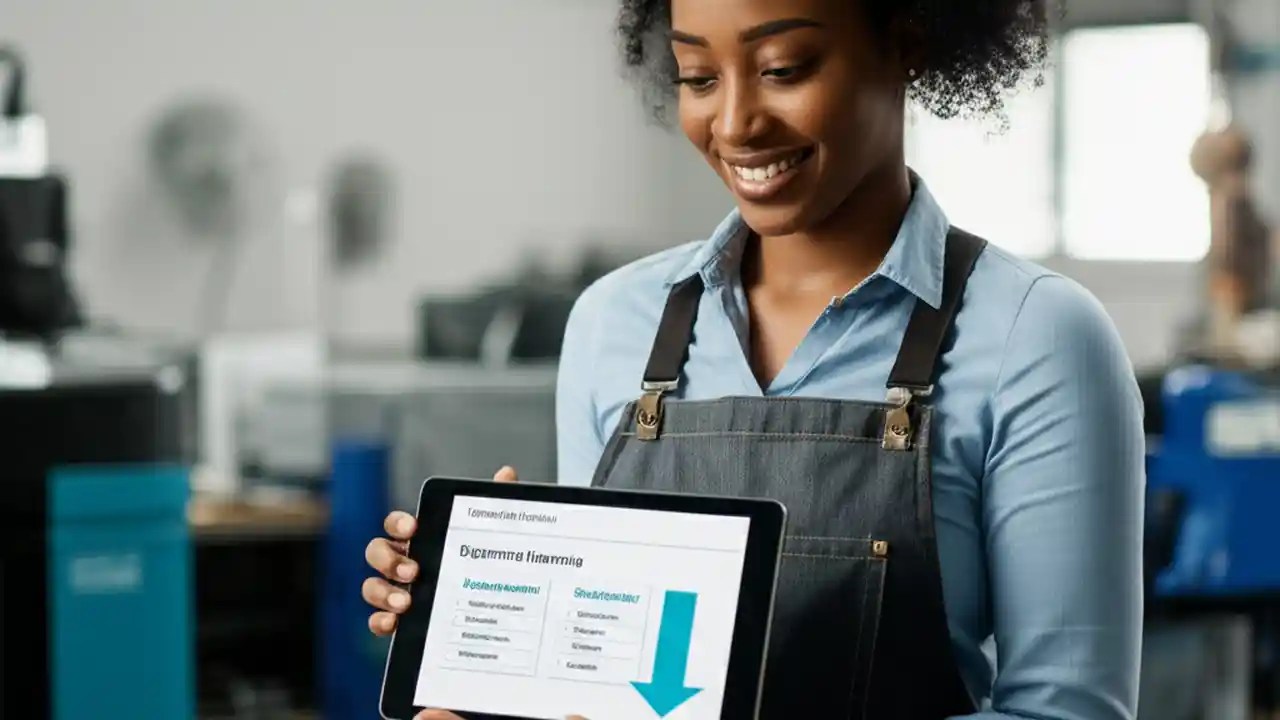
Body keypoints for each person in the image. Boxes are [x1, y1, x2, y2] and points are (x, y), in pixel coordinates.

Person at [364, 0, 1145, 718]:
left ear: (906, 41)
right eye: (699, 78)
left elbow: (1069, 713)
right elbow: (602, 684)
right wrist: (495, 627)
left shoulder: (1037, 337)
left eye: (783, 69)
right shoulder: (613, 323)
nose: (735, 123)